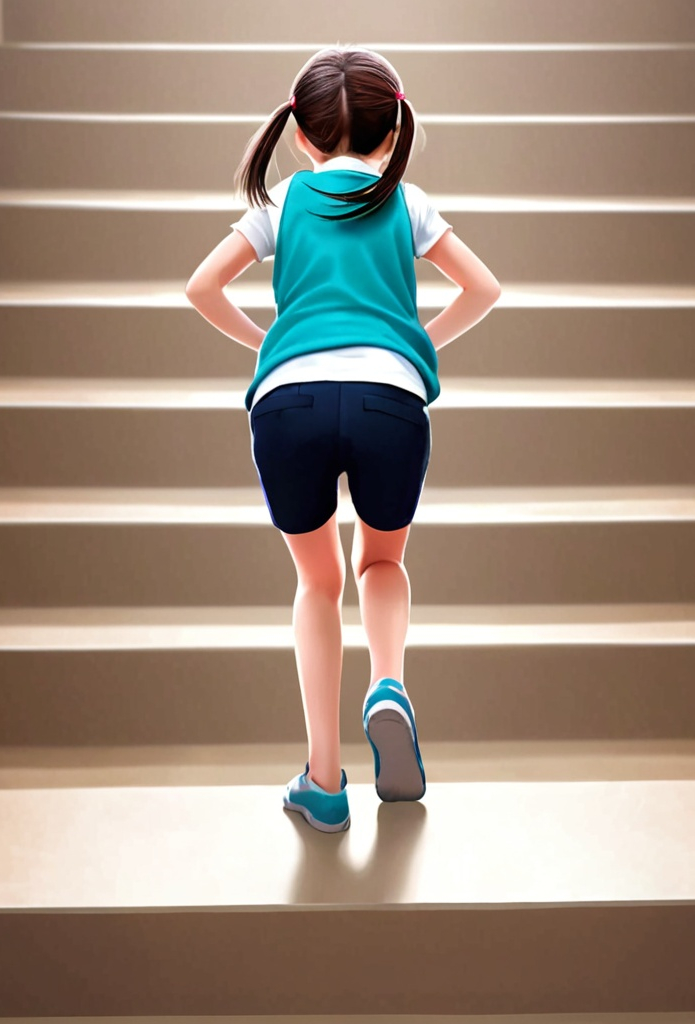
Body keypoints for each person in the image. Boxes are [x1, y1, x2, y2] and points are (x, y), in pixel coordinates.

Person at [185, 46, 500, 833]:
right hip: (391, 403)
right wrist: (413, 342)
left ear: (301, 136)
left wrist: (273, 342)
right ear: (393, 134)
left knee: (317, 582)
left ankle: (324, 782)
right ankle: (387, 681)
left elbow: (201, 287)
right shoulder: (409, 198)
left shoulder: (280, 203)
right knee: (383, 561)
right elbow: (484, 288)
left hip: (287, 405)